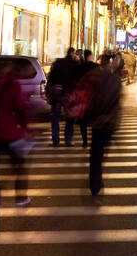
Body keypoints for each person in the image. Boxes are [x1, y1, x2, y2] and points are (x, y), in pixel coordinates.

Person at [0, 58, 32, 209]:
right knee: (20, 166)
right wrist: (26, 128)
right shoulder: (13, 84)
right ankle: (21, 198)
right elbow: (20, 107)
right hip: (10, 133)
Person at [84, 52, 123, 196]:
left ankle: (94, 183)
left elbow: (88, 97)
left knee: (96, 152)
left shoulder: (94, 76)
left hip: (96, 121)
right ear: (111, 62)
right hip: (107, 122)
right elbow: (116, 102)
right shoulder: (114, 79)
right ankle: (96, 180)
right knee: (101, 151)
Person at [46, 47, 80, 147]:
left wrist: (48, 91)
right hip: (68, 93)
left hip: (56, 92)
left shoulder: (58, 63)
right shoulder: (74, 65)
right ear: (72, 53)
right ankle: (68, 140)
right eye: (74, 54)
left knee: (55, 117)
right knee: (70, 117)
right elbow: (76, 80)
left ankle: (55, 140)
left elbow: (51, 77)